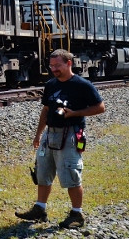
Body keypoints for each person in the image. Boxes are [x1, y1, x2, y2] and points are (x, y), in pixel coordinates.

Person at [15, 48, 105, 229]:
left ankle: (77, 214)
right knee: (42, 171)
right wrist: (39, 134)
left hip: (71, 133)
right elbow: (46, 110)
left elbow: (100, 107)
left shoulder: (82, 84)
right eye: (51, 65)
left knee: (71, 173)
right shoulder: (51, 84)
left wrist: (76, 113)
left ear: (69, 63)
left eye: (58, 65)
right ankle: (40, 209)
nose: (54, 69)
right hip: (51, 133)